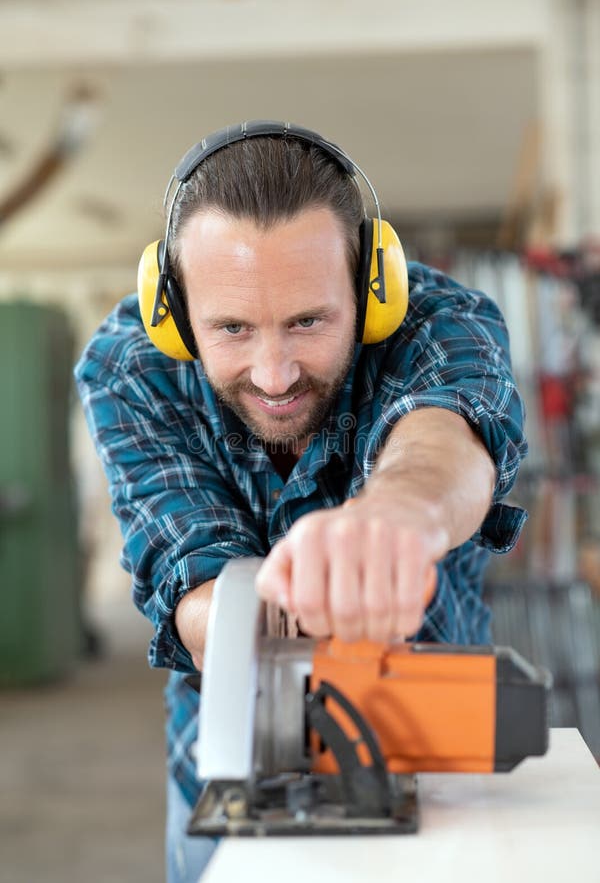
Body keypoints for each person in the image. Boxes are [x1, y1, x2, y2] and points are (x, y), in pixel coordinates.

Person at [75, 121, 527, 882]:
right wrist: (258, 613)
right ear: (176, 314)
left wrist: (399, 516)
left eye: (309, 322)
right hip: (224, 763)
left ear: (368, 288)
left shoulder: (439, 321)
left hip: (435, 743)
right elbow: (187, 578)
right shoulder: (131, 368)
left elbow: (442, 444)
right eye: (232, 328)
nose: (275, 373)